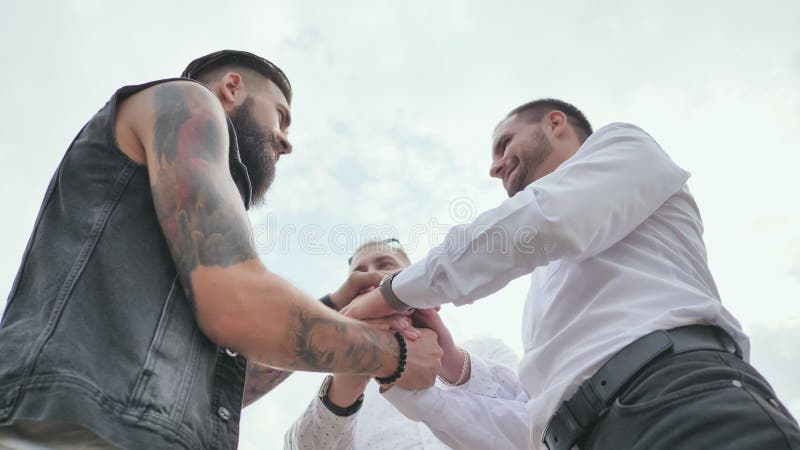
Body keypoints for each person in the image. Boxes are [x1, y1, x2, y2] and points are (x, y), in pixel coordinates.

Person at [0, 50, 442, 450]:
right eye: (281, 117)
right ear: (232, 88)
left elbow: (223, 386)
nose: (286, 141)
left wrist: (337, 304)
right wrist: (395, 356)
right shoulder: (186, 101)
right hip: (69, 428)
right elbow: (235, 304)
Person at [344, 99, 800, 449]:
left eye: (505, 144)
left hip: (679, 403)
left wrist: (389, 296)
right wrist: (446, 370)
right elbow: (532, 426)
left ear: (555, 122)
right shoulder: (544, 285)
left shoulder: (625, 148)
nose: (495, 166)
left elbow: (544, 220)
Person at [284, 239, 522, 449]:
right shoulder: (334, 391)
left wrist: (455, 364)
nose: (371, 278)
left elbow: (536, 423)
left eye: (385, 264)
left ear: (413, 275)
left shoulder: (487, 349)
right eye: (359, 272)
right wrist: (345, 386)